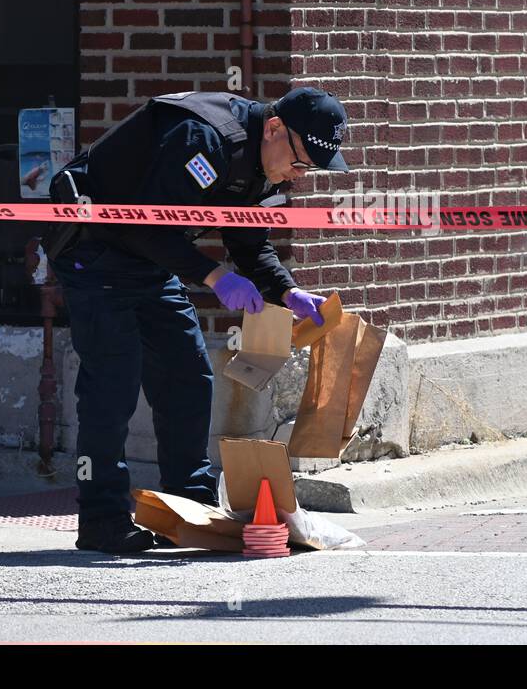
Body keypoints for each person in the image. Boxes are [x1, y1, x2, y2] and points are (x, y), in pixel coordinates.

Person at [43, 86, 351, 553]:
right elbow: (146, 222)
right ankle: (102, 517)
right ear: (274, 129)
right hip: (96, 251)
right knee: (113, 382)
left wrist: (286, 291)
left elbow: (249, 243)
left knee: (187, 374)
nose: (298, 177)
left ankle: (189, 506)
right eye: (301, 162)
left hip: (150, 261)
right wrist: (216, 277)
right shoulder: (204, 140)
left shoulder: (263, 166)